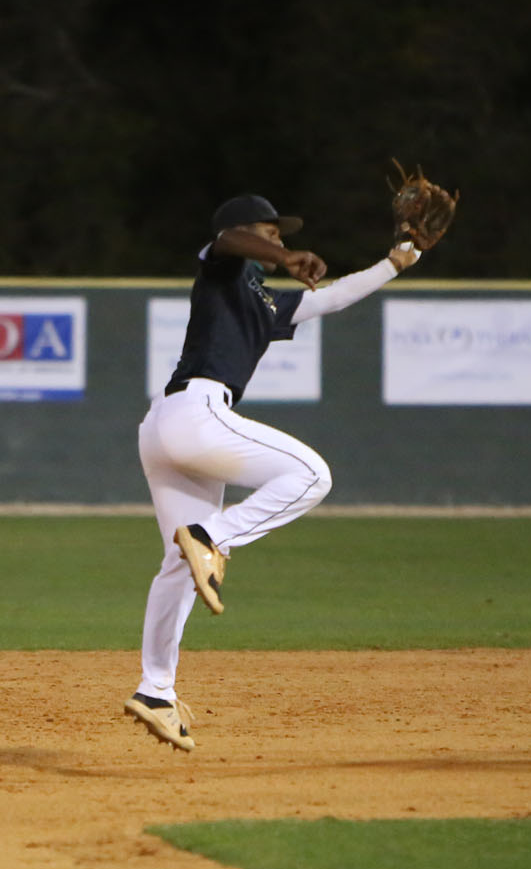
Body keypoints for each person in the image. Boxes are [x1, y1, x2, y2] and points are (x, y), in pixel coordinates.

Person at [124, 194, 422, 751]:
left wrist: (399, 260)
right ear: (245, 232)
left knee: (177, 565)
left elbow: (333, 298)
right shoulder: (225, 265)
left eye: (281, 235)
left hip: (166, 426)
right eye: (271, 231)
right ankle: (214, 536)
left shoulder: (265, 301)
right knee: (312, 475)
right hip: (196, 412)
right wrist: (281, 257)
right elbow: (227, 241)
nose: (280, 240)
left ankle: (155, 689)